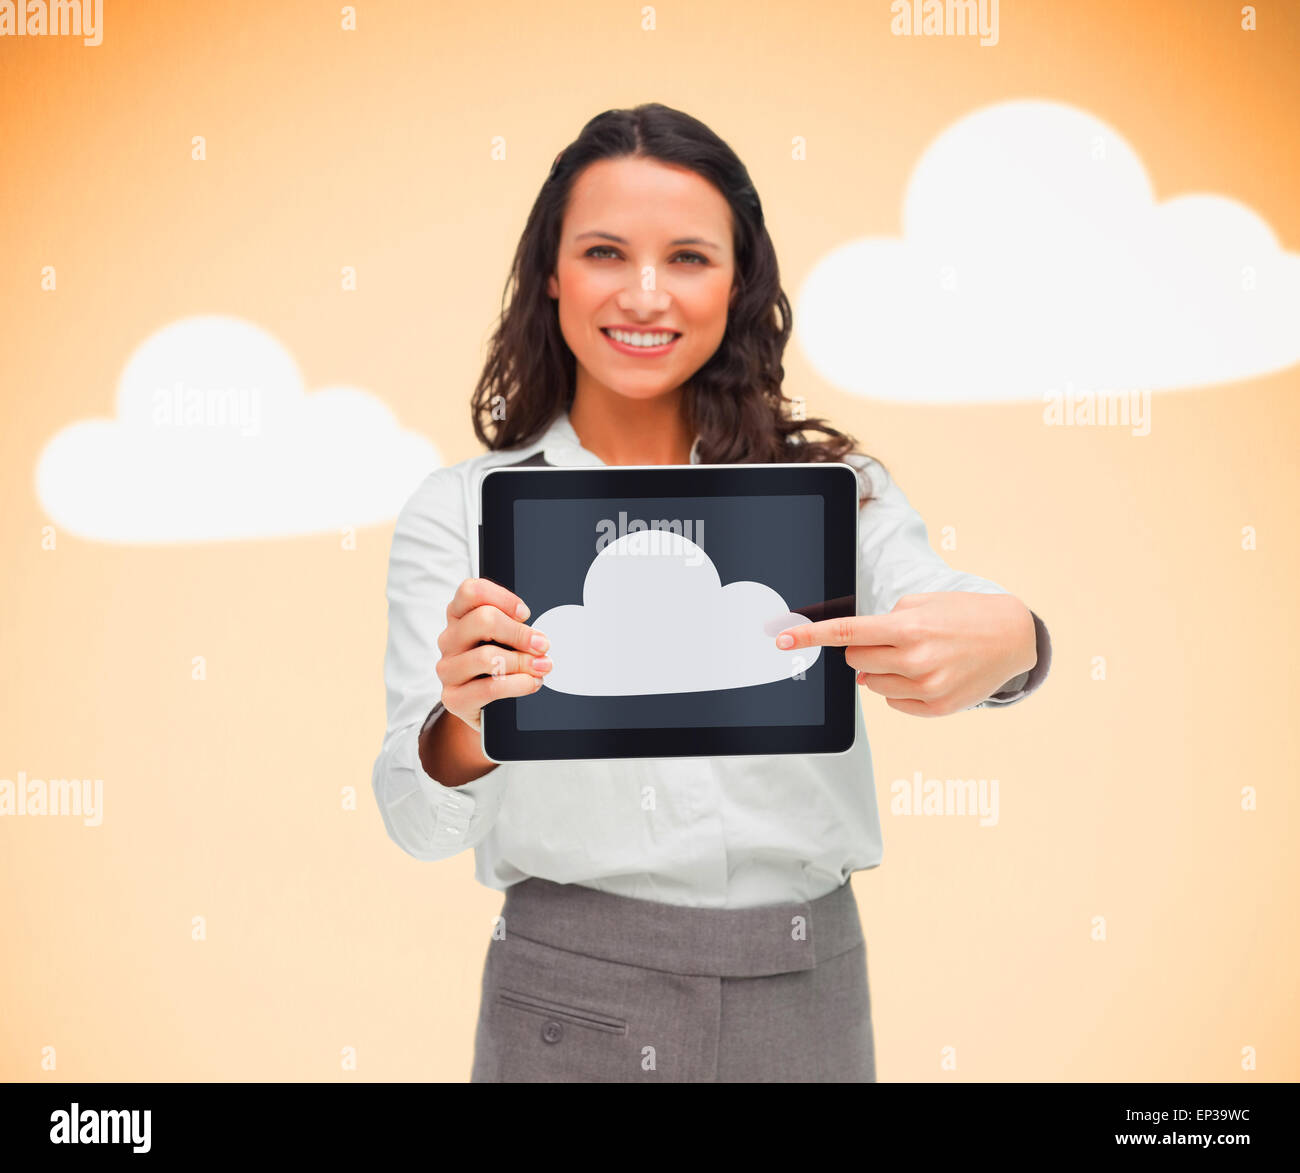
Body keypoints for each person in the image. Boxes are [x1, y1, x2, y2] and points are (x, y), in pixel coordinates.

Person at [371, 103, 1052, 1083]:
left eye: (688, 257)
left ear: (739, 285)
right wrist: (470, 719)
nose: (645, 295)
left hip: (806, 983)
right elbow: (413, 815)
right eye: (605, 251)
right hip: (568, 993)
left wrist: (1020, 641)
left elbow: (943, 611)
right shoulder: (461, 511)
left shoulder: (839, 498)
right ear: (550, 276)